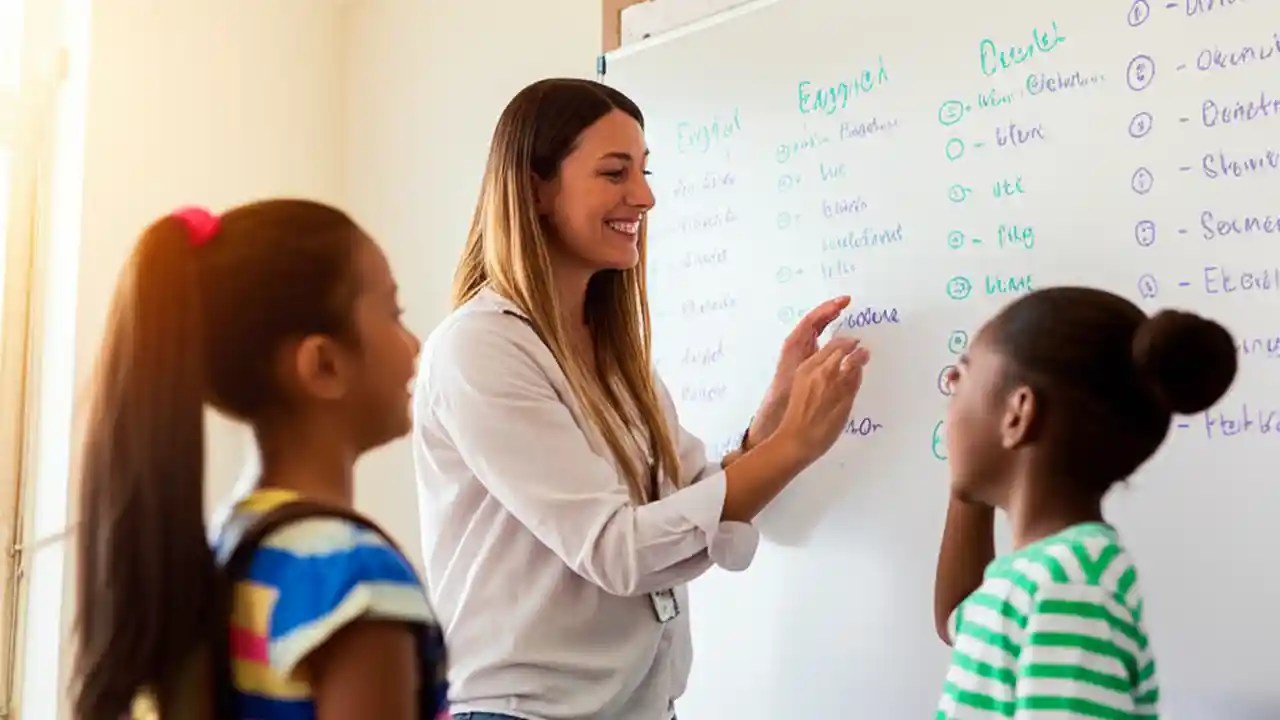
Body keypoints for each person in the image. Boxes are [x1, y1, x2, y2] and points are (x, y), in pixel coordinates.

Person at [411, 77, 871, 719]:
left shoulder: (612, 353)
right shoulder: (480, 348)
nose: (645, 196)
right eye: (614, 172)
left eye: (644, 171)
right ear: (537, 189)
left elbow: (685, 507)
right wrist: (793, 447)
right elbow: (619, 551)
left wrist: (768, 427)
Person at [70, 200, 450, 720]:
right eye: (393, 313)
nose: (414, 344)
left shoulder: (229, 543)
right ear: (323, 364)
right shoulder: (355, 579)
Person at [932, 286, 1237, 718]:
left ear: (1017, 415)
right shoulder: (1038, 575)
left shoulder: (1072, 585)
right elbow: (961, 620)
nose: (948, 392)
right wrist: (966, 484)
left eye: (960, 375)